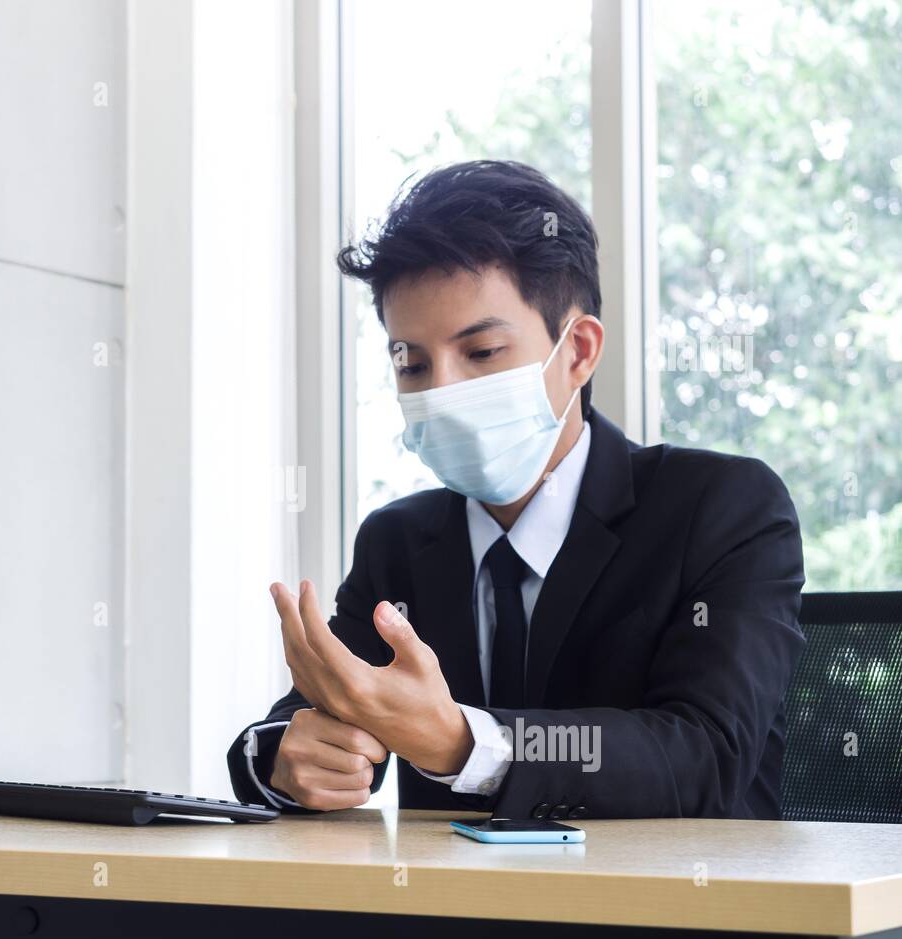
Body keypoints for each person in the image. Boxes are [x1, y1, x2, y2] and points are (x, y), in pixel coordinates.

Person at [227, 160, 805, 820]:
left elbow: (704, 750)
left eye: (482, 353)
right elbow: (297, 727)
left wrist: (468, 744)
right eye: (411, 362)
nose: (438, 390)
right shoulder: (399, 543)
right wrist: (285, 759)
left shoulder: (722, 509)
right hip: (453, 918)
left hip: (679, 913)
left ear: (579, 352)